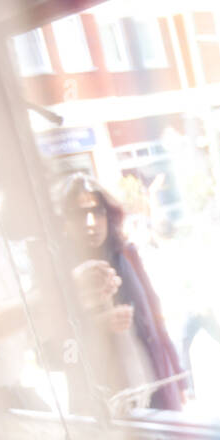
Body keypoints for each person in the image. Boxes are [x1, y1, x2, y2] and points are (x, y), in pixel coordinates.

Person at [53, 174, 185, 413]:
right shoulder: (59, 276)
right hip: (104, 411)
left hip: (154, 392)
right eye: (78, 214)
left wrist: (177, 377)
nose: (91, 222)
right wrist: (95, 326)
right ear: (63, 222)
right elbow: (58, 357)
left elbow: (156, 319)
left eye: (98, 211)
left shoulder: (126, 255)